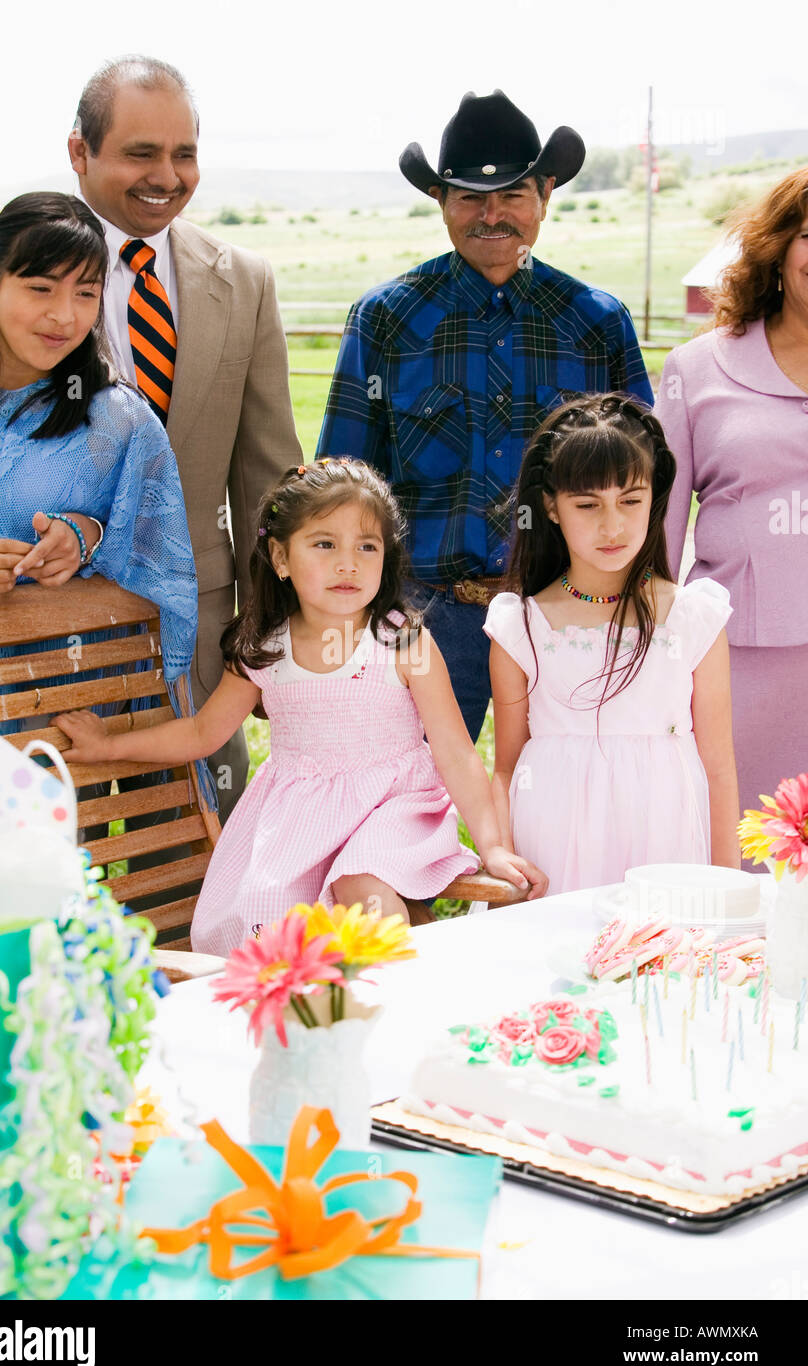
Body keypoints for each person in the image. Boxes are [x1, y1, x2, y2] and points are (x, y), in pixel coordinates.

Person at [0, 55, 302, 819]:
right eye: (141, 153)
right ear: (80, 152)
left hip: (189, 623)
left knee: (187, 834)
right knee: (25, 842)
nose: (165, 176)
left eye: (185, 154)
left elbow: (270, 479)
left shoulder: (244, 278)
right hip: (0, 639)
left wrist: (272, 628)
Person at [54, 459, 548, 954]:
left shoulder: (401, 641)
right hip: (299, 817)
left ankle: (394, 1002)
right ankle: (308, 1015)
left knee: (363, 888)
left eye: (367, 547)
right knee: (270, 925)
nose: (348, 563)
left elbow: (457, 754)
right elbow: (203, 734)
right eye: (325, 544)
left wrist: (493, 847)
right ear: (281, 557)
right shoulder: (266, 648)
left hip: (395, 809)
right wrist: (108, 744)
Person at [317, 90, 653, 742]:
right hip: (429, 619)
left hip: (574, 615)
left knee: (570, 799)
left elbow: (646, 484)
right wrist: (337, 617)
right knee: (413, 806)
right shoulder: (385, 319)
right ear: (440, 201)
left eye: (513, 195)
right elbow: (343, 487)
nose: (492, 214)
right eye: (469, 196)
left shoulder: (597, 323)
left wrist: (638, 601)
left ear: (546, 193)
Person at [0, 192, 210, 795]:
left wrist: (85, 540)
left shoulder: (117, 421)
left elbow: (161, 572)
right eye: (41, 288)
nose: (64, 316)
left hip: (49, 715)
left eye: (85, 293)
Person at [485, 395, 740, 897]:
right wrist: (503, 862)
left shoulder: (694, 617)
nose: (613, 525)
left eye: (630, 500)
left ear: (654, 498)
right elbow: (507, 767)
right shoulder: (522, 626)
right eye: (587, 504)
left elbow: (718, 766)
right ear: (552, 507)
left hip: (665, 843)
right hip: (553, 843)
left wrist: (727, 888)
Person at [656, 167, 808, 828]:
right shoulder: (696, 370)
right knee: (740, 860)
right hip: (734, 667)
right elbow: (654, 532)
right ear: (778, 250)